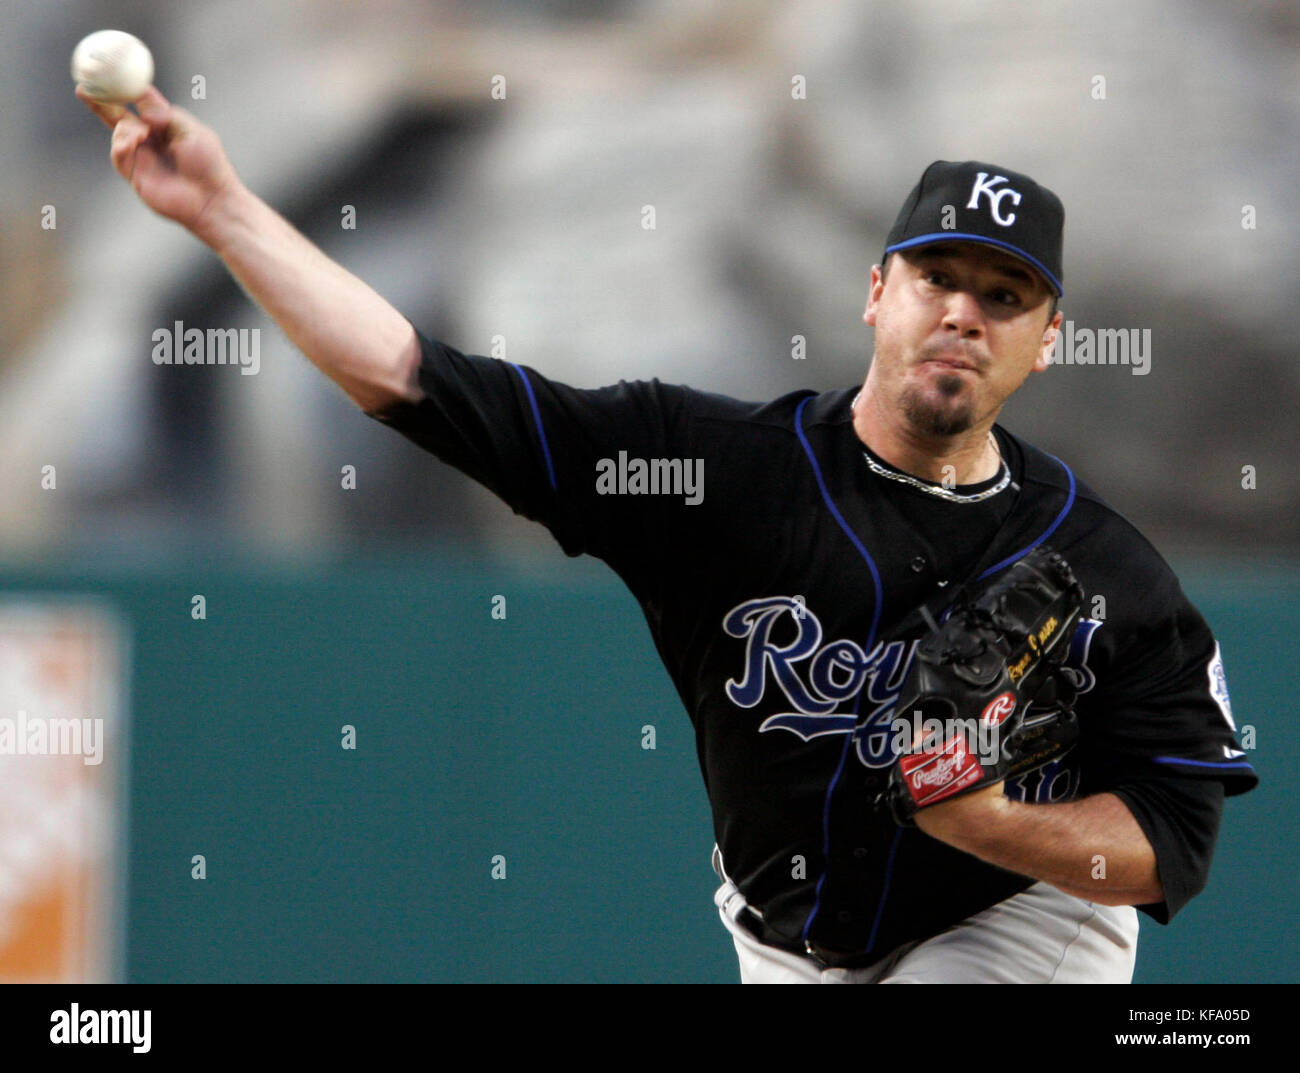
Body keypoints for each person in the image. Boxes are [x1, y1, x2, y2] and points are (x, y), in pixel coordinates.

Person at [79, 85, 1257, 983]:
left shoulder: (1104, 570)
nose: (962, 311)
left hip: (1010, 915)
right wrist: (222, 209)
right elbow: (413, 377)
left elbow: (1170, 842)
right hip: (788, 933)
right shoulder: (707, 472)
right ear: (874, 292)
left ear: (1046, 338)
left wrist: (990, 822)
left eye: (1003, 296)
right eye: (936, 275)